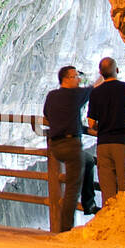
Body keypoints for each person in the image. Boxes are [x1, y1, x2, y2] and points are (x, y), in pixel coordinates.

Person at [42, 65, 91, 232]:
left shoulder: (51, 95)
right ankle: (65, 228)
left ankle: (89, 201)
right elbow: (94, 87)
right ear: (67, 78)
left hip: (56, 145)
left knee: (89, 160)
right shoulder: (74, 95)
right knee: (72, 188)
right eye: (76, 76)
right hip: (71, 144)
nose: (78, 79)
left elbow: (47, 116)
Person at [88, 56, 125, 203]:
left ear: (101, 73)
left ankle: (110, 216)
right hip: (122, 142)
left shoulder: (96, 93)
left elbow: (91, 123)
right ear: (117, 70)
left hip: (103, 143)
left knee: (108, 189)